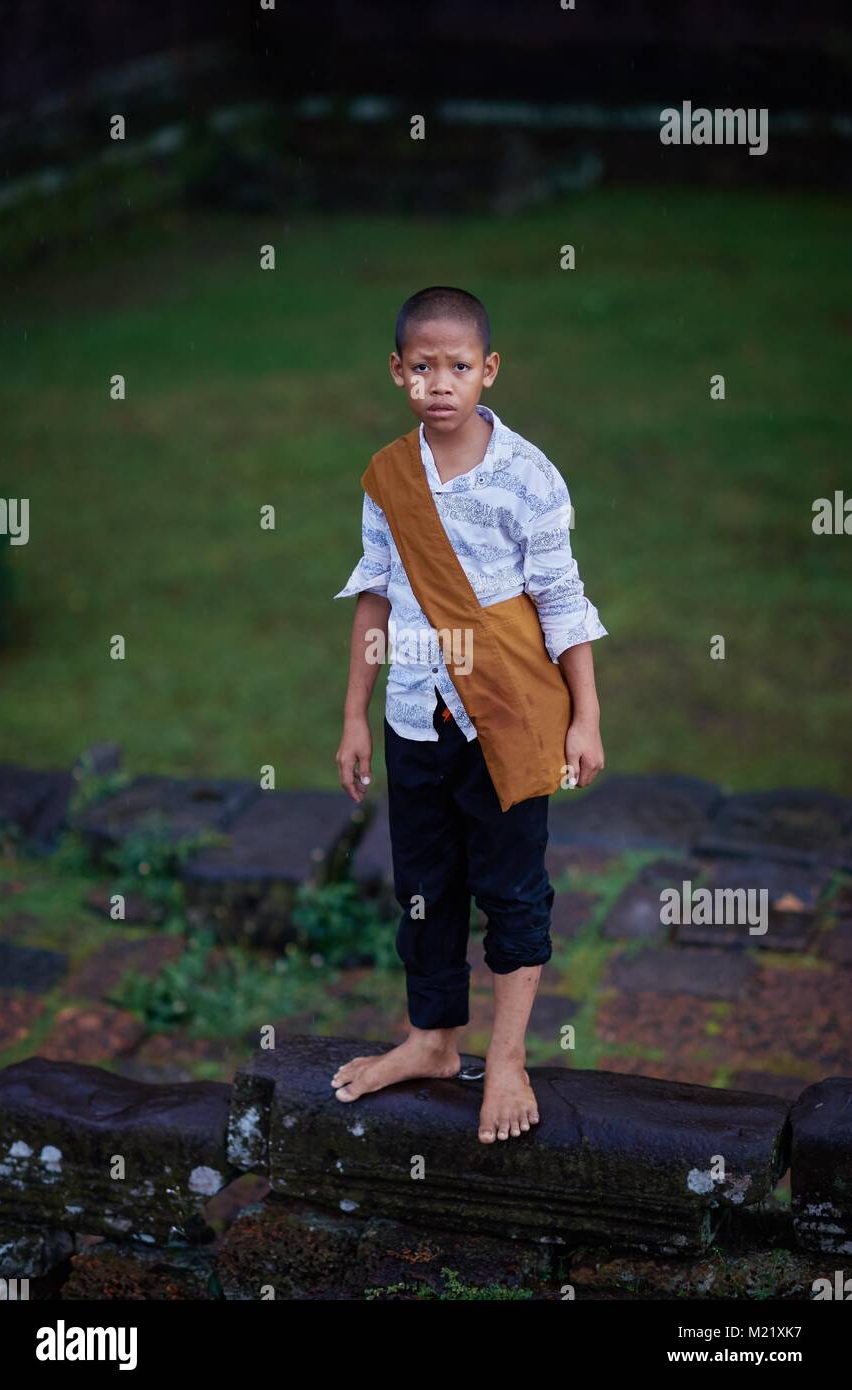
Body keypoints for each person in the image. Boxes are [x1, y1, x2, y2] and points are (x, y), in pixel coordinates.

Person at [331, 286, 607, 1143]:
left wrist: (587, 719)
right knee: (423, 888)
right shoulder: (388, 476)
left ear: (489, 370)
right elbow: (376, 595)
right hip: (414, 716)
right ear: (398, 372)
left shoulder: (528, 476)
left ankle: (509, 1059)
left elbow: (563, 601)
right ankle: (432, 1041)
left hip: (507, 717)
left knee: (512, 889)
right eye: (423, 367)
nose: (440, 383)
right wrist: (353, 717)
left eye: (458, 366)